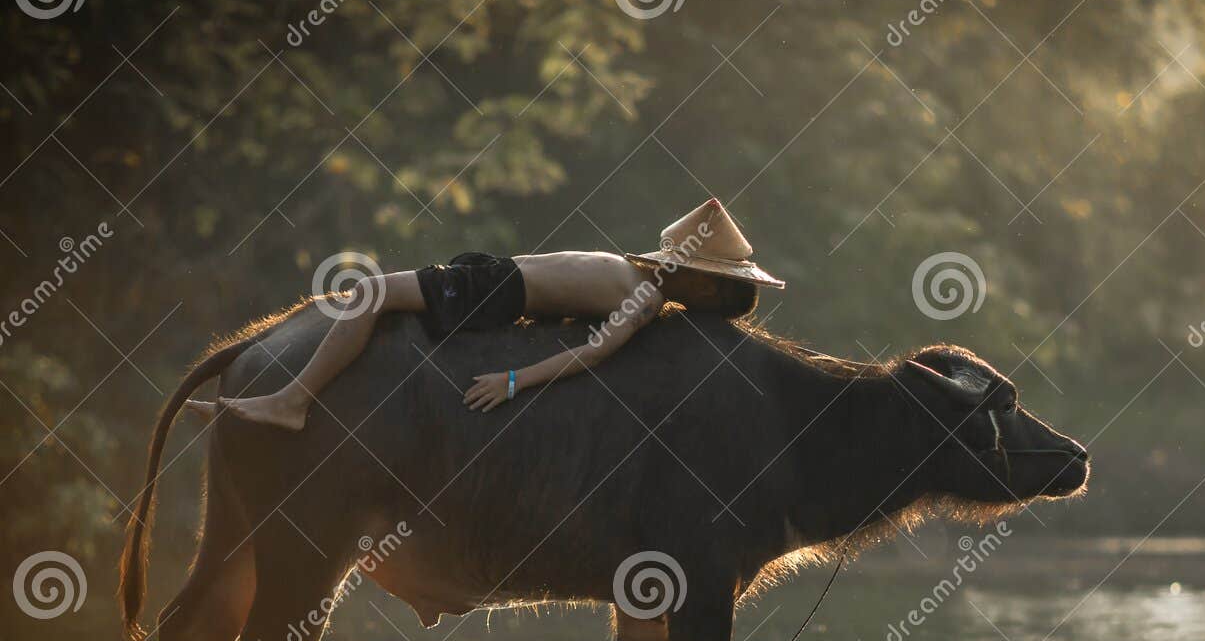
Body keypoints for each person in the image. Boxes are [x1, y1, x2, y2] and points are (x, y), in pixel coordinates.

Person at [207, 199, 784, 430]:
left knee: (366, 294)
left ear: (698, 285)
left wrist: (515, 380)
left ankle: (295, 399)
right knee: (372, 297)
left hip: (494, 290)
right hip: (492, 277)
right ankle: (292, 396)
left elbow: (591, 353)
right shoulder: (646, 285)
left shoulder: (646, 300)